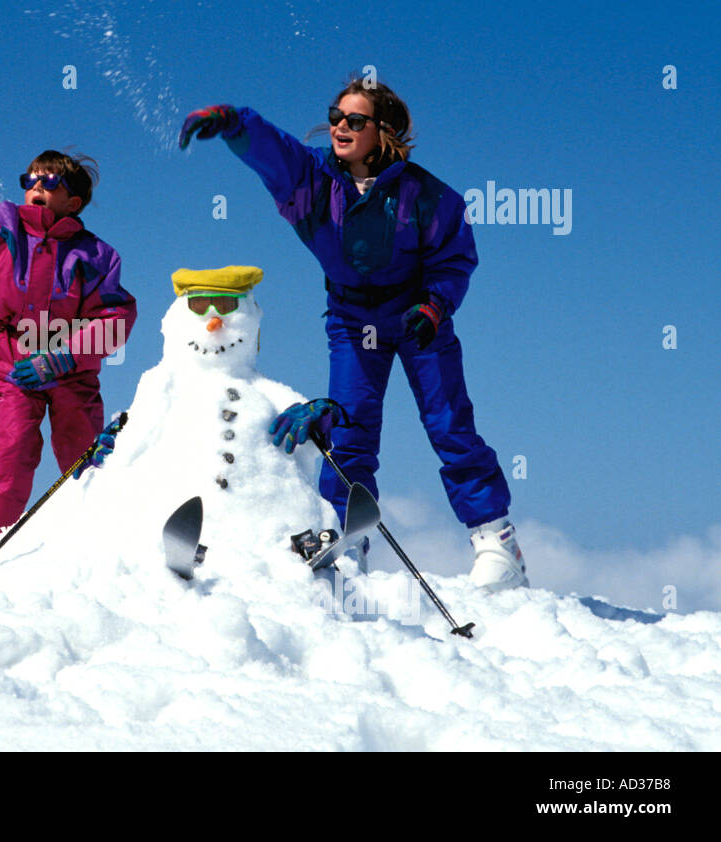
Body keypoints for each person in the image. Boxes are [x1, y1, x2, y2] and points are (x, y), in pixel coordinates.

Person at [177, 82, 527, 591]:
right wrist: (235, 123)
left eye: (356, 120)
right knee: (348, 428)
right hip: (352, 319)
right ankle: (348, 539)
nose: (341, 126)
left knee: (449, 423)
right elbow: (275, 152)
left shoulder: (428, 195)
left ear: (383, 132)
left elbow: (454, 259)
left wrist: (434, 305)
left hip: (417, 317)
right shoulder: (316, 180)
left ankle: (497, 540)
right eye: (336, 116)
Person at [0, 125, 137, 544]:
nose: (36, 186)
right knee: (15, 447)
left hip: (71, 367)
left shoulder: (96, 256)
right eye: (30, 179)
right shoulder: (0, 231)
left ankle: (106, 535)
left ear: (73, 201)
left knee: (87, 451)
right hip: (15, 361)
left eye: (49, 181)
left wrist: (65, 356)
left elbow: (115, 316)